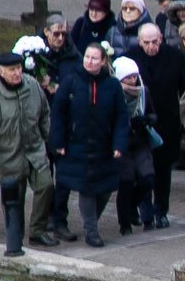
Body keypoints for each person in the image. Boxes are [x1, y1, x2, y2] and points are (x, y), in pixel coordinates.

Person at [0, 50, 56, 255]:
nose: (16, 73)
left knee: (46, 186)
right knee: (13, 200)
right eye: (11, 70)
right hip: (8, 156)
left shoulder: (33, 86)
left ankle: (38, 229)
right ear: (1, 71)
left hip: (34, 151)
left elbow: (44, 113)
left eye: (18, 68)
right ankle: (15, 236)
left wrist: (49, 138)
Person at [49, 41, 131, 247]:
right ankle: (91, 231)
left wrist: (119, 144)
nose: (89, 61)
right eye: (87, 56)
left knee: (104, 189)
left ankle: (92, 222)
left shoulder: (112, 85)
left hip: (103, 146)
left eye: (94, 58)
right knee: (87, 189)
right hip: (77, 145)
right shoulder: (71, 82)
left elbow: (122, 117)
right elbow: (58, 113)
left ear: (103, 61)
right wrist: (57, 141)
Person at [126, 22, 185, 228]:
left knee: (163, 171)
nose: (152, 46)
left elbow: (184, 89)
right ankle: (142, 213)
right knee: (142, 171)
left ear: (161, 39)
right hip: (141, 122)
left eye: (155, 42)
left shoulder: (175, 57)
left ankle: (161, 210)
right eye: (147, 42)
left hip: (168, 121)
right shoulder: (130, 57)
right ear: (139, 41)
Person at [111, 56, 155, 235]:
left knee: (148, 179)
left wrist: (146, 120)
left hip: (141, 142)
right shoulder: (115, 94)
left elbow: (153, 114)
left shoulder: (143, 91)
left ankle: (132, 206)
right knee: (126, 182)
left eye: (134, 76)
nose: (132, 81)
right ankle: (124, 223)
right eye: (127, 78)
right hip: (123, 144)